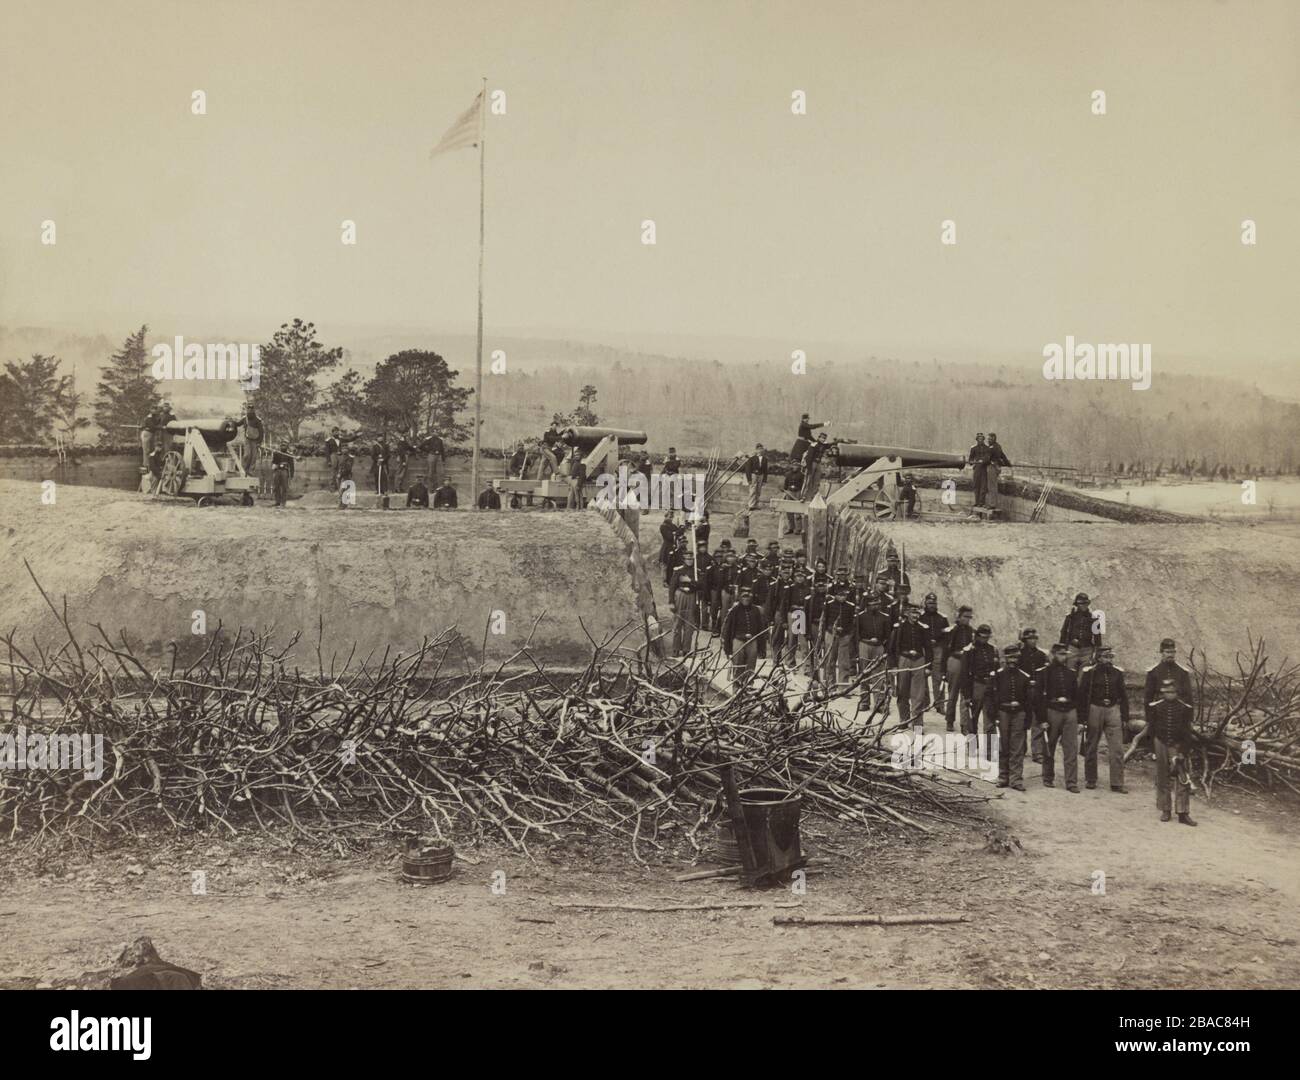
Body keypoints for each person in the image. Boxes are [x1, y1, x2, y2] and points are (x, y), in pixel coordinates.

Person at [1078, 645, 1129, 792]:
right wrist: (1082, 719)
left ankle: (1117, 782)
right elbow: (1082, 696)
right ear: (1098, 658)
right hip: (1095, 709)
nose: (1108, 660)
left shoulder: (1117, 673)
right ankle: (1091, 779)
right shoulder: (1090, 673)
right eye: (1105, 657)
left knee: (1117, 748)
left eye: (1110, 657)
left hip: (1112, 709)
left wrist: (1125, 717)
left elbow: (1123, 696)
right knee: (1092, 745)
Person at [1149, 678, 1197, 825]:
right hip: (1160, 742)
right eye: (1167, 692)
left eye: (1173, 691)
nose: (1170, 694)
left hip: (1177, 745)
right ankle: (1165, 809)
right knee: (1162, 776)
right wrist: (1153, 750)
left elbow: (1187, 733)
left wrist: (1183, 751)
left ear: (1177, 692)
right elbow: (1152, 730)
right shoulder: (1155, 707)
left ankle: (1183, 812)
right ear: (1162, 693)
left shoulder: (1185, 708)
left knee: (1182, 776)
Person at [1035, 642, 1080, 791]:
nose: (1064, 657)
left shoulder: (1071, 673)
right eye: (1060, 654)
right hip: (1052, 711)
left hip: (1069, 712)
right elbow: (1038, 699)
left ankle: (1071, 782)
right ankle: (1048, 777)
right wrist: (1041, 720)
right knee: (1049, 746)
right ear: (1053, 655)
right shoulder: (1043, 673)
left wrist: (1077, 716)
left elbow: (1076, 696)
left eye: (1065, 654)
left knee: (1071, 748)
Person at [992, 644, 1034, 790]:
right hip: (1003, 713)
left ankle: (1016, 780)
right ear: (1005, 658)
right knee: (1004, 745)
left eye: (1015, 657)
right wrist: (994, 716)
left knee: (1017, 747)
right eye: (1010, 657)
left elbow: (1029, 701)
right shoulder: (997, 675)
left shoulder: (1025, 676)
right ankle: (1003, 777)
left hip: (1019, 714)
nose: (1012, 660)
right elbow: (992, 697)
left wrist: (1027, 720)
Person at [959, 624, 999, 756]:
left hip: (990, 686)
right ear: (977, 636)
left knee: (990, 719)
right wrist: (967, 695)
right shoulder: (969, 650)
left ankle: (990, 751)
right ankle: (971, 747)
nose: (985, 639)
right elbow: (964, 674)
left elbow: (997, 669)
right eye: (983, 637)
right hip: (976, 685)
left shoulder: (992, 649)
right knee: (972, 718)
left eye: (987, 637)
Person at [890, 603, 932, 727]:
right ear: (907, 613)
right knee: (902, 691)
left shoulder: (923, 628)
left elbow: (929, 648)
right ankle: (903, 720)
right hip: (903, 660)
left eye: (917, 613)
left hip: (919, 661)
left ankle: (917, 723)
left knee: (918, 694)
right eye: (912, 613)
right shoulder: (899, 628)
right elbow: (891, 649)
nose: (915, 616)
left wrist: (928, 667)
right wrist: (893, 666)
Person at [721, 585, 769, 686]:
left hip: (752, 640)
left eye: (748, 597)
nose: (746, 599)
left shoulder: (756, 610)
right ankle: (737, 683)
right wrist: (727, 649)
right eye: (744, 597)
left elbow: (761, 629)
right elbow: (728, 630)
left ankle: (748, 684)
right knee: (738, 663)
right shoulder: (734, 611)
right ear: (740, 598)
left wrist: (762, 648)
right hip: (738, 640)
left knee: (751, 664)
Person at [855, 589, 892, 712]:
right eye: (873, 603)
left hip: (879, 647)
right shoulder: (860, 617)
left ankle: (879, 703)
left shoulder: (885, 617)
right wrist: (856, 652)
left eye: (877, 603)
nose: (875, 605)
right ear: (868, 604)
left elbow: (888, 636)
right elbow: (856, 635)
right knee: (864, 674)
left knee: (879, 675)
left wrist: (885, 649)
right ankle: (864, 701)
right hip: (864, 645)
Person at [940, 606, 976, 731]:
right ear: (959, 616)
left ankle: (964, 723)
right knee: (953, 693)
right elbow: (946, 651)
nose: (967, 619)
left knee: (965, 694)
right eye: (965, 616)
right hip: (955, 661)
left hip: (967, 663)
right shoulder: (952, 630)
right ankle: (950, 720)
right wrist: (943, 670)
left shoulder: (971, 630)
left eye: (969, 617)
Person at [1017, 628, 1050, 762]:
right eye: (1030, 638)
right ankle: (1021, 749)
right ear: (1025, 640)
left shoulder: (1041, 655)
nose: (1033, 641)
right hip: (1023, 691)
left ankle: (1037, 752)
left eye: (1035, 638)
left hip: (1037, 690)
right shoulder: (1019, 655)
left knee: (1037, 719)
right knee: (1023, 720)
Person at [820, 583, 859, 690]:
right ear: (835, 595)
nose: (842, 597)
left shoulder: (851, 606)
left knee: (844, 662)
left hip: (844, 636)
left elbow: (852, 623)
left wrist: (847, 633)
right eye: (840, 595)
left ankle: (843, 686)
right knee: (830, 660)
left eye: (844, 595)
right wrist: (832, 630)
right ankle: (829, 685)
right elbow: (825, 621)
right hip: (831, 635)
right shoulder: (829, 604)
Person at [917, 594, 950, 713]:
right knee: (922, 676)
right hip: (924, 649)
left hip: (937, 649)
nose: (932, 605)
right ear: (925, 603)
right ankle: (925, 703)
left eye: (934, 603)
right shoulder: (920, 616)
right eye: (930, 603)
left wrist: (938, 642)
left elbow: (947, 635)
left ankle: (939, 704)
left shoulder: (942, 618)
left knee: (938, 677)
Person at [1144, 638, 1194, 711]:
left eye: (1172, 652)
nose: (1170, 655)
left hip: (1178, 711)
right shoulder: (1153, 672)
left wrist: (1189, 718)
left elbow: (1188, 697)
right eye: (1167, 652)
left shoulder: (1182, 672)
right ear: (1162, 652)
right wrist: (1149, 718)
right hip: (1160, 712)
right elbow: (1148, 698)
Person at [668, 548, 701, 656]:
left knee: (689, 624)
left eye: (691, 559)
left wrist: (690, 581)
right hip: (680, 596)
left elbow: (701, 586)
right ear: (684, 560)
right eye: (687, 559)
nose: (689, 561)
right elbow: (672, 587)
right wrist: (671, 602)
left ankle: (686, 649)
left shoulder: (697, 571)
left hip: (692, 597)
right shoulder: (678, 570)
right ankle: (675, 648)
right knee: (678, 622)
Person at [1059, 592, 1101, 674]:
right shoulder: (1070, 617)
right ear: (1077, 605)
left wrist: (1097, 653)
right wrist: (1061, 649)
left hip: (1087, 650)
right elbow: (1063, 633)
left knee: (1084, 674)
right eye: (1081, 604)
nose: (1083, 606)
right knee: (1069, 672)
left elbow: (1097, 637)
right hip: (1072, 648)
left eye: (1085, 603)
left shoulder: (1094, 619)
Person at [985, 433, 1011, 510]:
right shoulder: (998, 446)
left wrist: (980, 461)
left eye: (990, 439)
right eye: (988, 439)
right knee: (994, 485)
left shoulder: (991, 448)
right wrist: (1007, 464)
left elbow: (987, 459)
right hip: (997, 468)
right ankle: (993, 503)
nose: (988, 440)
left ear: (994, 438)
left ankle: (992, 504)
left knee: (991, 486)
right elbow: (1003, 456)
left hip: (992, 467)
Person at [236, 404, 263, 474]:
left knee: (254, 456)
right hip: (247, 439)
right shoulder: (244, 418)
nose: (250, 410)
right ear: (247, 410)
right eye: (249, 409)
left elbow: (261, 432)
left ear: (254, 410)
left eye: (251, 409)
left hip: (255, 440)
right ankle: (243, 469)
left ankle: (251, 471)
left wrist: (259, 442)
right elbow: (238, 424)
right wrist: (231, 421)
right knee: (247, 454)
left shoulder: (257, 420)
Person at [743, 444, 769, 513]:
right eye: (758, 449)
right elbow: (748, 469)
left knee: (758, 490)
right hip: (754, 475)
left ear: (763, 450)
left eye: (761, 449)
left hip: (761, 475)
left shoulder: (765, 459)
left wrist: (764, 480)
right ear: (756, 450)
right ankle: (751, 505)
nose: (760, 450)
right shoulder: (752, 458)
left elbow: (766, 470)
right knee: (752, 490)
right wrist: (749, 479)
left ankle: (756, 505)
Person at [967, 432, 991, 508]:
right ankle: (977, 502)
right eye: (979, 439)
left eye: (981, 438)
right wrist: (972, 462)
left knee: (983, 486)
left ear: (983, 439)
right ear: (977, 439)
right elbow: (970, 459)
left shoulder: (987, 448)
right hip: (977, 468)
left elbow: (988, 458)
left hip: (984, 469)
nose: (980, 440)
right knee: (976, 485)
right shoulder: (973, 448)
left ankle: (981, 502)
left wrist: (982, 461)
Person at [270, 440, 294, 507]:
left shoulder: (289, 455)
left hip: (284, 471)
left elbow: (291, 465)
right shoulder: (276, 453)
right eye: (282, 445)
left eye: (285, 445)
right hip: (277, 470)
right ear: (280, 446)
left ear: (287, 447)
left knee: (284, 488)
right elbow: (274, 462)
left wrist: (291, 475)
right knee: (276, 487)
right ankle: (277, 502)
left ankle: (283, 503)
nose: (283, 446)